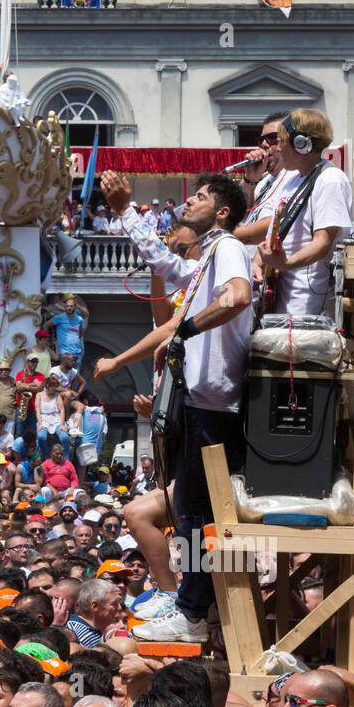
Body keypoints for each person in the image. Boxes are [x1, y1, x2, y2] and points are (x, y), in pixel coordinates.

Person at [102, 169, 252, 642]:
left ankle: (190, 614)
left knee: (200, 515)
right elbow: (164, 264)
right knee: (190, 513)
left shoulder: (228, 246)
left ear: (222, 213)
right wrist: (125, 211)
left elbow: (238, 297)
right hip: (200, 401)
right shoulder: (207, 254)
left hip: (216, 403)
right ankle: (188, 607)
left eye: (202, 197)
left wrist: (188, 329)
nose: (190, 202)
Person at [253, 109, 354, 318]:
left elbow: (322, 242)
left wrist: (286, 264)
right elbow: (271, 233)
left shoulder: (330, 180)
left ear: (302, 144)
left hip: (308, 303)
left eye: (281, 141)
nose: (278, 148)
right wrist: (257, 263)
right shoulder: (290, 180)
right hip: (281, 297)